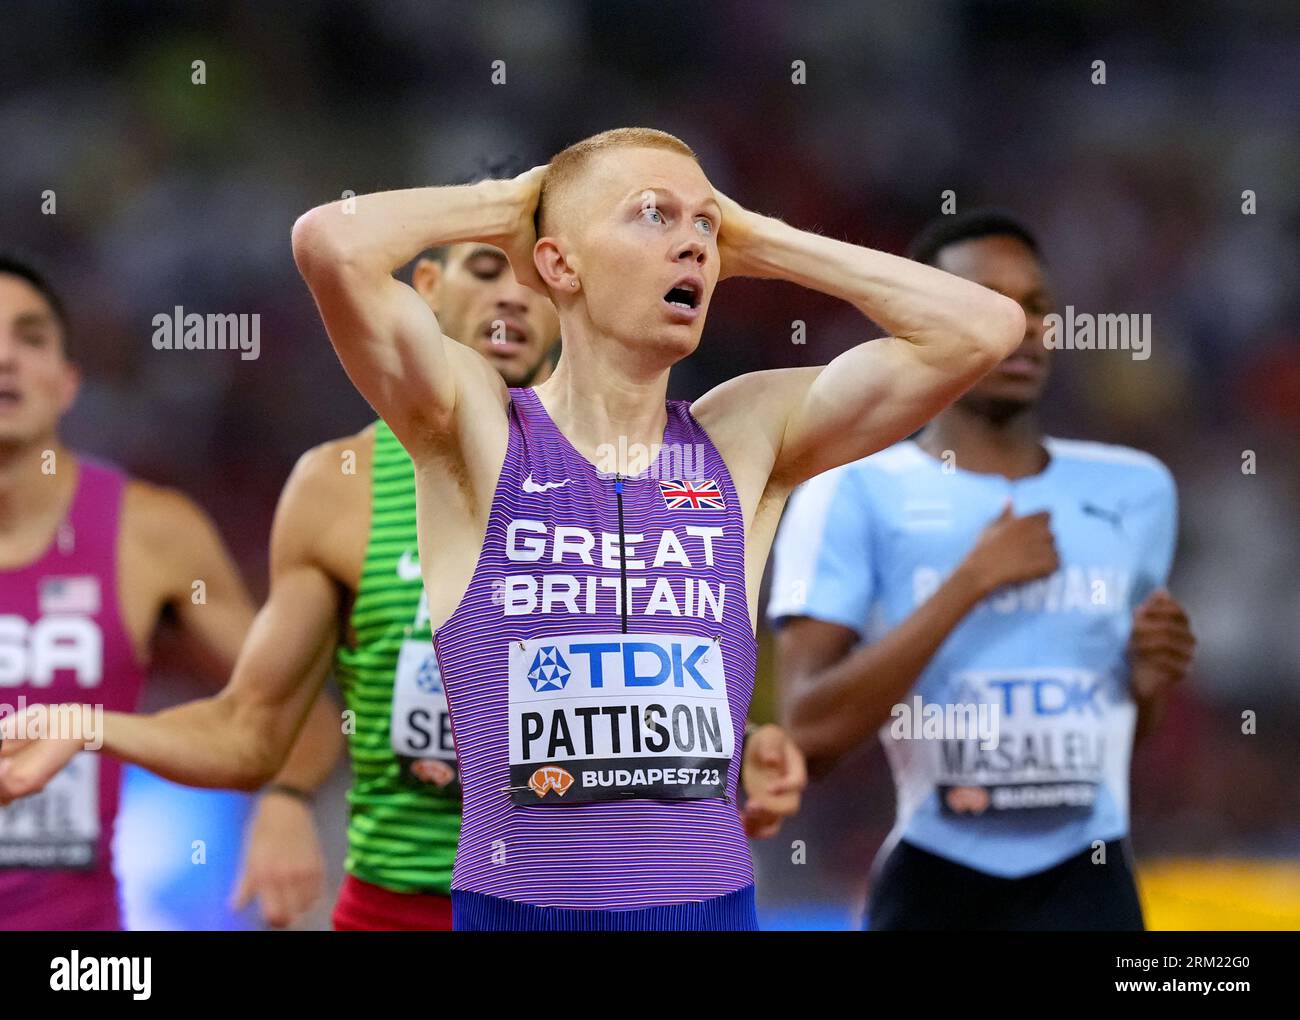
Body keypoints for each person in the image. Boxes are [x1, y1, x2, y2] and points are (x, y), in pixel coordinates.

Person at [281, 126, 1023, 930]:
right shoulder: (478, 430)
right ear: (559, 263)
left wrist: (761, 239)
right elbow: (330, 242)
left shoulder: (744, 437)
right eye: (652, 216)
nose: (695, 246)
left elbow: (982, 329)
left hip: (707, 912)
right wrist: (512, 206)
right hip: (522, 912)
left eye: (705, 225)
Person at [233, 236, 809, 931]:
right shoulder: (339, 484)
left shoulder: (635, 458)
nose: (510, 295)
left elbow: (624, 671)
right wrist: (286, 794)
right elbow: (262, 706)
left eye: (533, 281)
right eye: (483, 270)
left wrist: (729, 743)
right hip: (404, 897)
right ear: (426, 287)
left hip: (567, 897)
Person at [766, 210, 1196, 931]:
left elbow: (1111, 731)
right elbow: (808, 732)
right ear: (921, 325)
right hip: (936, 881)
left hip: (1090, 882)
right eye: (990, 308)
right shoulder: (852, 491)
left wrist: (1149, 686)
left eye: (1037, 308)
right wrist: (969, 584)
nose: (1023, 328)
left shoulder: (1138, 490)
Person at [0, 255, 262, 930]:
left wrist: (289, 799)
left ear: (67, 383)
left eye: (29, 338)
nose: (4, 358)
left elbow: (292, 718)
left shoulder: (152, 532)